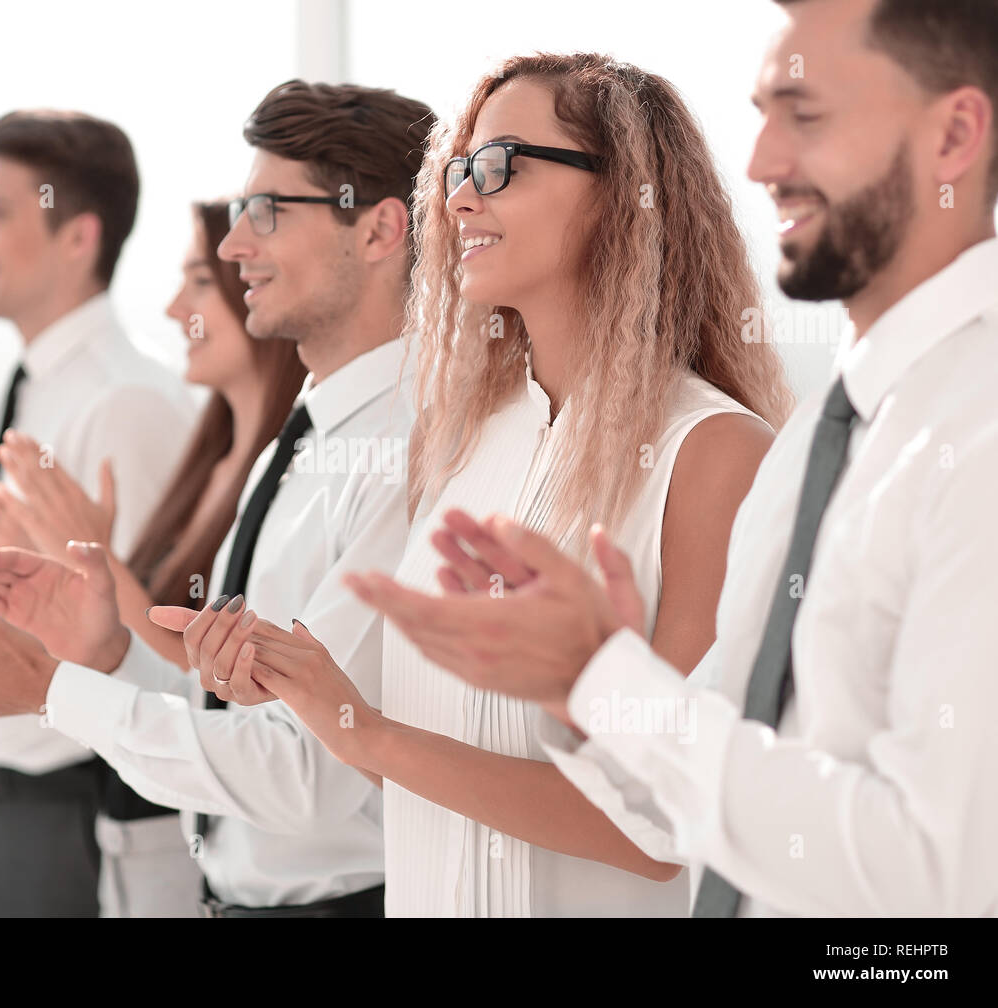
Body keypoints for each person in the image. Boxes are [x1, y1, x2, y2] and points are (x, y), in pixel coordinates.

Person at [332, 0, 998, 916]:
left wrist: (593, 682)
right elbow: (678, 805)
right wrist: (593, 686)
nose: (761, 164)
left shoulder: (963, 436)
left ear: (955, 134)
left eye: (807, 116)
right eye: (762, 117)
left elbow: (936, 878)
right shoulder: (823, 441)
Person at [187, 53, 795, 916]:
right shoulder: (458, 444)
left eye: (502, 165)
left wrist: (365, 733)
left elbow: (660, 824)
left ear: (622, 193)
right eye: (459, 169)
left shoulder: (716, 452)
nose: (461, 198)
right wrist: (306, 693)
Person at [0, 80, 435, 918]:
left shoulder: (403, 452)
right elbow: (230, 718)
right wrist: (108, 653)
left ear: (381, 228)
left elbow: (307, 778)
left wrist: (51, 690)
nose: (236, 244)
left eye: (268, 212)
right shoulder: (308, 438)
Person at [0, 199, 306, 914]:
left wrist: (95, 563)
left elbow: (213, 682)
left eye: (203, 282)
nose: (175, 309)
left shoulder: (278, 467)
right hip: (141, 824)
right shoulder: (210, 458)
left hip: (197, 842)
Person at [0, 110, 196, 917]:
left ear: (80, 237)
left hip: (71, 805)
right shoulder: (29, 389)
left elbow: (162, 649)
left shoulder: (128, 404)